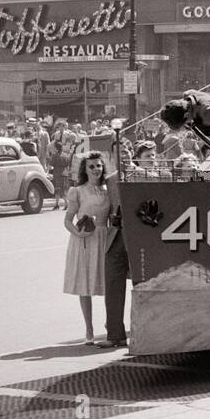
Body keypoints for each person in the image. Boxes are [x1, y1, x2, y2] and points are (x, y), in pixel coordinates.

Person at [63, 151, 112, 344]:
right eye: (91, 166)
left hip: (104, 237)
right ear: (85, 169)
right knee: (85, 284)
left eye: (99, 166)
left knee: (109, 283)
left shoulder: (109, 189)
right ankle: (89, 330)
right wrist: (77, 232)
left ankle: (111, 324)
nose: (96, 169)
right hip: (84, 240)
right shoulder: (78, 191)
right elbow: (67, 220)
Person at [98, 142, 133, 349]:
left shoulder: (144, 174)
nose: (124, 154)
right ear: (112, 156)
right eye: (120, 152)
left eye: (127, 150)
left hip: (138, 237)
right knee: (112, 286)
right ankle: (115, 333)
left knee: (140, 285)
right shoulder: (110, 181)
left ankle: (139, 332)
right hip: (115, 235)